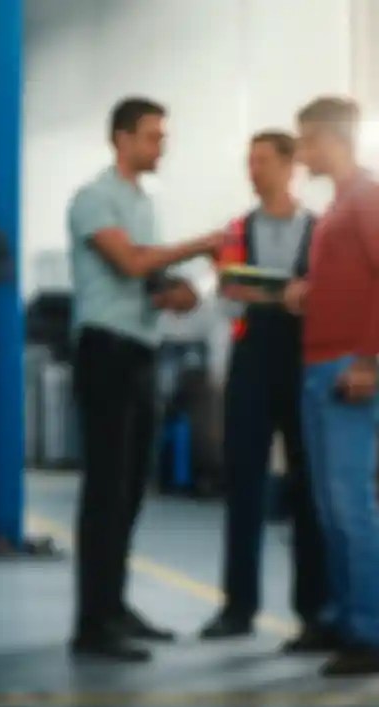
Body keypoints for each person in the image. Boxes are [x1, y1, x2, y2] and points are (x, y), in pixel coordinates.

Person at [67, 97, 225, 662]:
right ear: (122, 139)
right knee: (105, 489)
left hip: (139, 352)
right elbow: (130, 263)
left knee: (131, 487)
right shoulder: (94, 199)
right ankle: (91, 623)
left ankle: (114, 606)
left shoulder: (142, 204)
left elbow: (149, 280)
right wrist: (205, 243)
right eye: (154, 137)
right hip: (104, 353)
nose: (163, 146)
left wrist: (178, 292)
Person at [198, 132, 331, 650]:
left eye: (262, 161)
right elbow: (228, 295)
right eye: (248, 161)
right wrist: (285, 293)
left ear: (289, 165)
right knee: (244, 488)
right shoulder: (238, 228)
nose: (253, 170)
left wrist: (259, 290)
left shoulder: (319, 232)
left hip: (303, 364)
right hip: (250, 364)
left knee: (307, 490)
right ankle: (237, 607)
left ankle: (314, 613)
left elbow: (319, 296)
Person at [286, 95, 379, 677]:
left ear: (329, 138)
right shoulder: (336, 208)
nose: (300, 153)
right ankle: (346, 622)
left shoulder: (368, 198)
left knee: (351, 507)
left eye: (304, 142)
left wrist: (369, 359)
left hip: (350, 366)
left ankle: (370, 631)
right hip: (320, 365)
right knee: (329, 507)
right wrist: (306, 294)